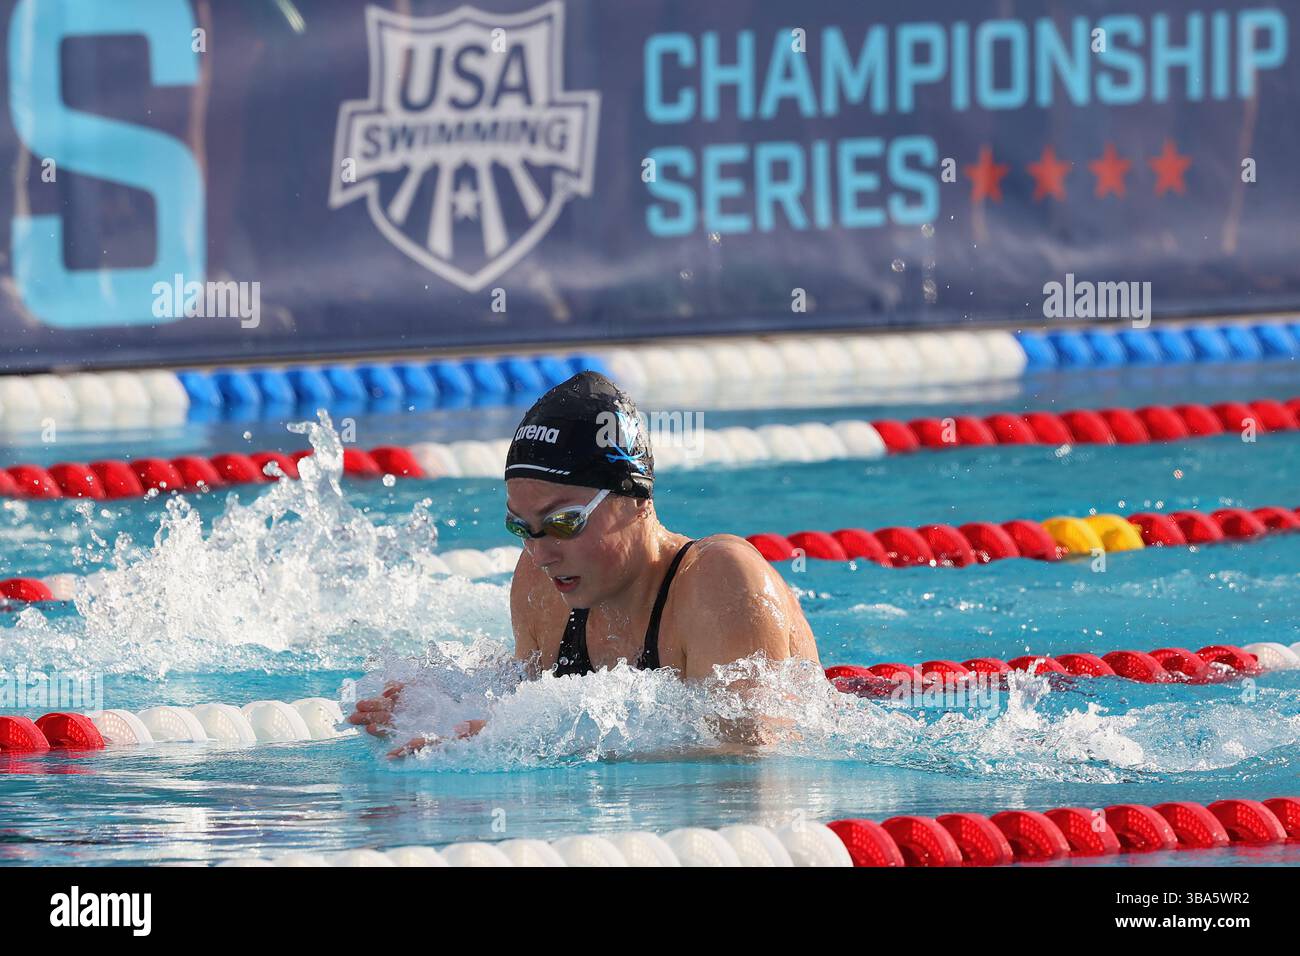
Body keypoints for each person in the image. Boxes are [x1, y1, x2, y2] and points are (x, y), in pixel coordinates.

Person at [348, 371, 821, 755]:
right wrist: (437, 706)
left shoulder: (721, 582)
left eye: (564, 521)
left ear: (635, 499)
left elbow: (747, 767)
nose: (540, 551)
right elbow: (526, 697)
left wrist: (534, 742)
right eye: (522, 527)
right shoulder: (539, 582)